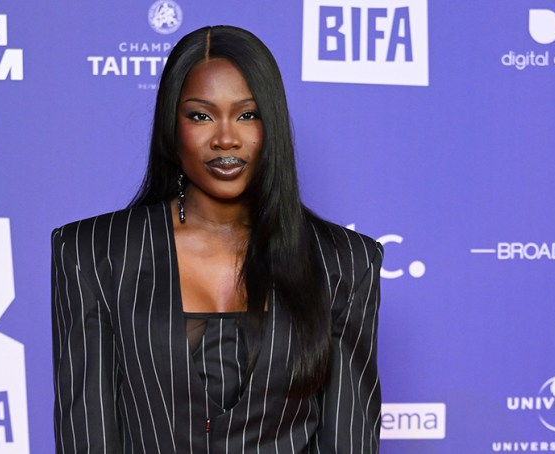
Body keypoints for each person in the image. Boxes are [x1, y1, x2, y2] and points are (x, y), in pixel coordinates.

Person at [52, 25, 383, 453]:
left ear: (273, 125)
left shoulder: (345, 263)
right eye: (201, 115)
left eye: (247, 114)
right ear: (172, 126)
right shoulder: (93, 254)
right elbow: (87, 437)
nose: (226, 138)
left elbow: (349, 441)